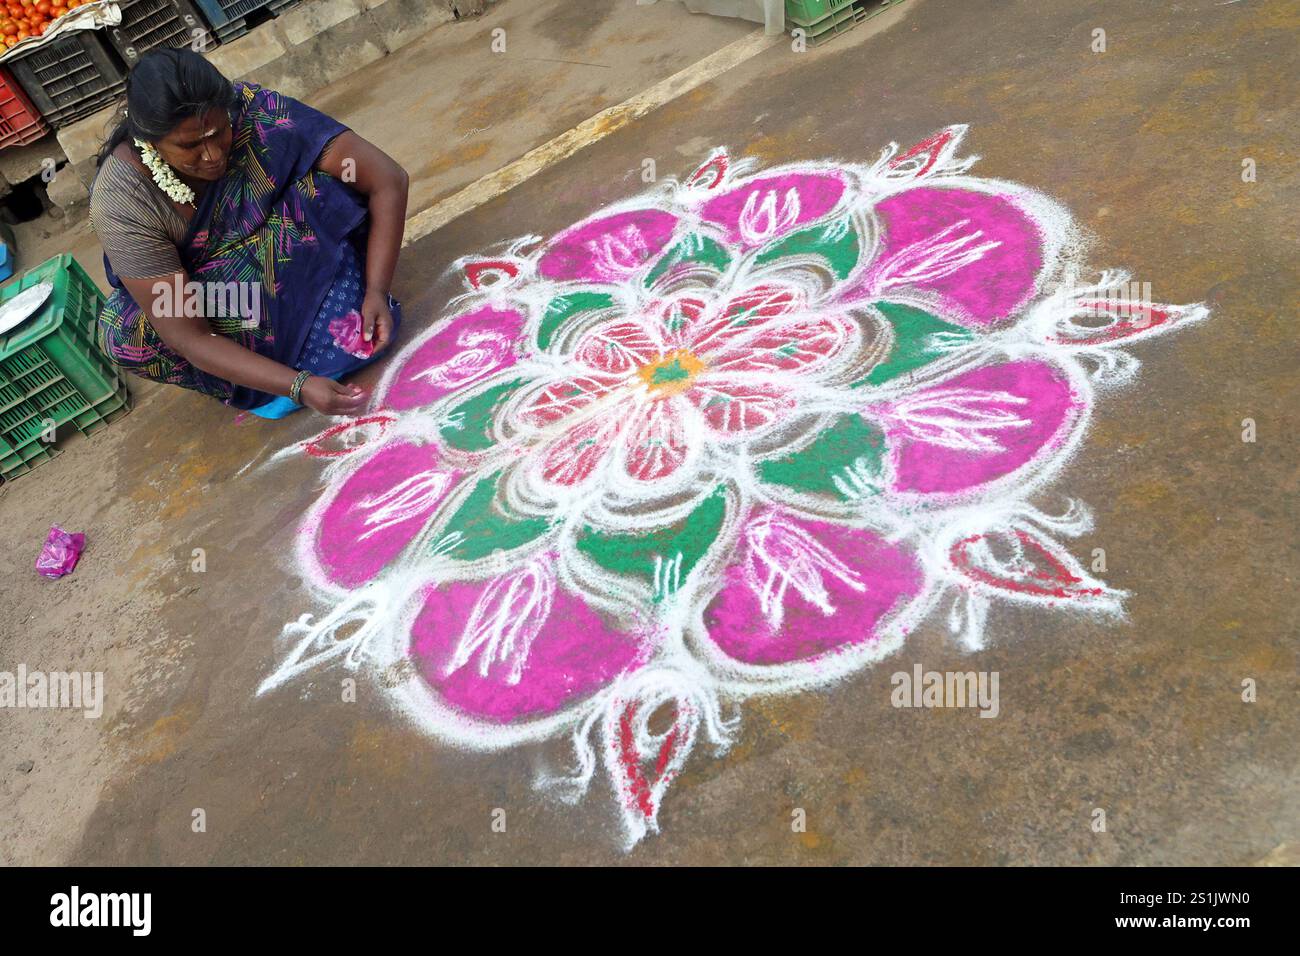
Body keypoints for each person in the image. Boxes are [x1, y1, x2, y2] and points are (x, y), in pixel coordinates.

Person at [88, 48, 409, 418]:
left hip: (294, 262)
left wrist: (377, 291)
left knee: (331, 182)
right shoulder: (121, 199)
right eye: (190, 145)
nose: (212, 156)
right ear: (150, 140)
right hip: (228, 308)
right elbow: (187, 335)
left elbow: (386, 178)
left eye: (217, 133)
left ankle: (337, 319)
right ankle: (271, 377)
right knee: (124, 331)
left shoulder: (256, 112)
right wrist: (297, 386)